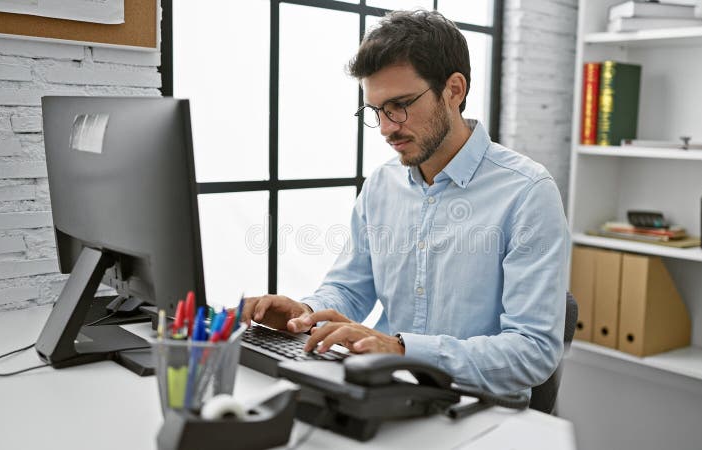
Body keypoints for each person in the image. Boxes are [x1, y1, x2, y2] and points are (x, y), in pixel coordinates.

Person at [241, 9, 570, 396]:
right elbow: (350, 287)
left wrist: (402, 349)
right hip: (386, 390)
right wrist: (305, 314)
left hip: (475, 407)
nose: (386, 128)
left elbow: (533, 351)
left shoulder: (527, 192)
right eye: (376, 111)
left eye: (400, 105)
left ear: (454, 90)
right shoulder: (383, 184)